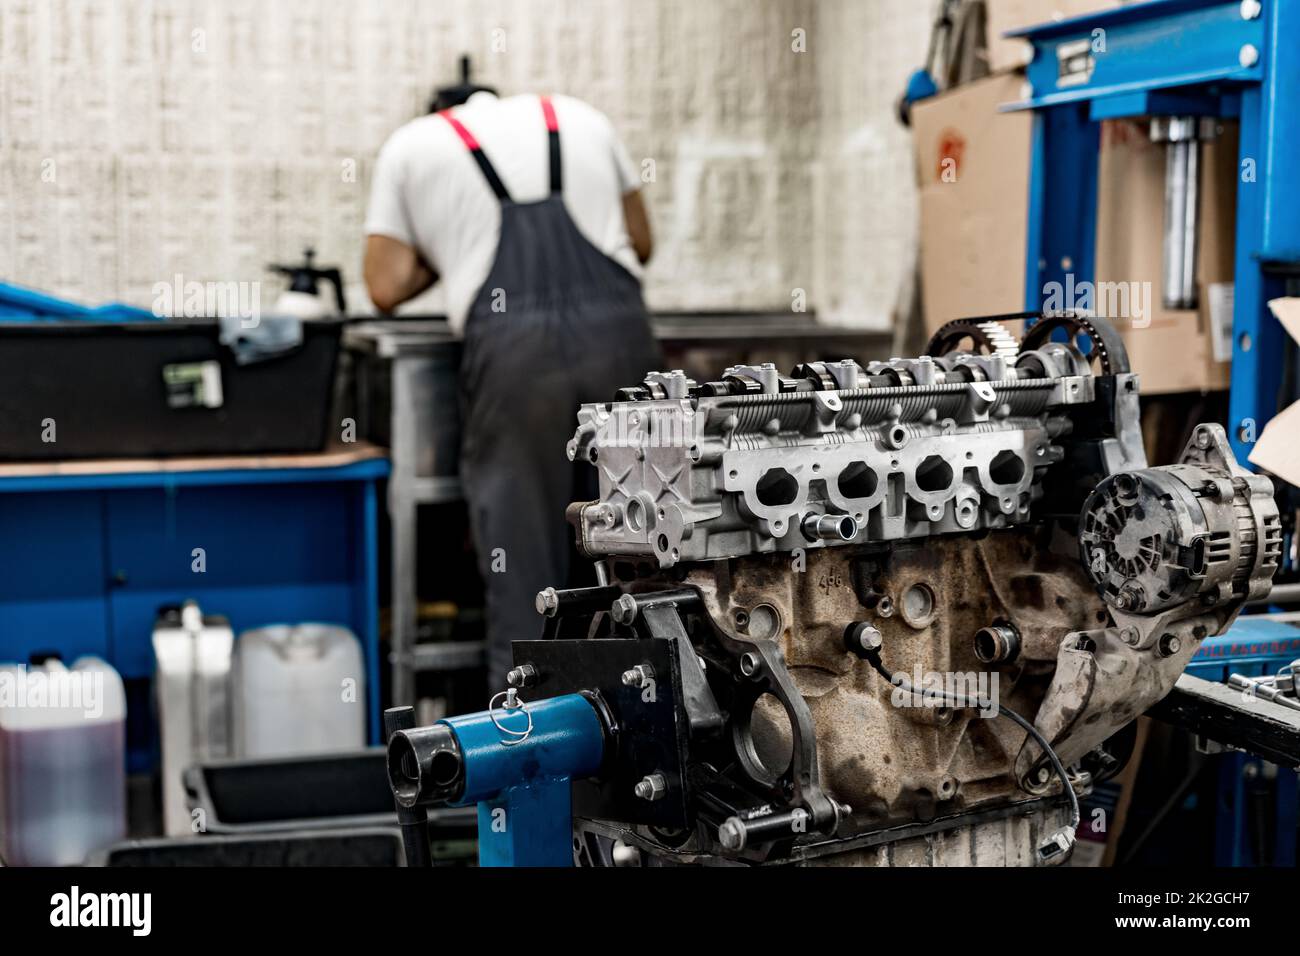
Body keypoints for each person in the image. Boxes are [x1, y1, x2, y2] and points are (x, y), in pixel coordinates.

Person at [363, 88, 660, 689]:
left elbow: (384, 285)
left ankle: (531, 754)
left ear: (439, 111)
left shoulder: (412, 145)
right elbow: (643, 243)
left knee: (528, 579)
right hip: (622, 342)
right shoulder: (581, 116)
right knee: (644, 561)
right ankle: (652, 754)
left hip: (516, 359)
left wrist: (447, 248)